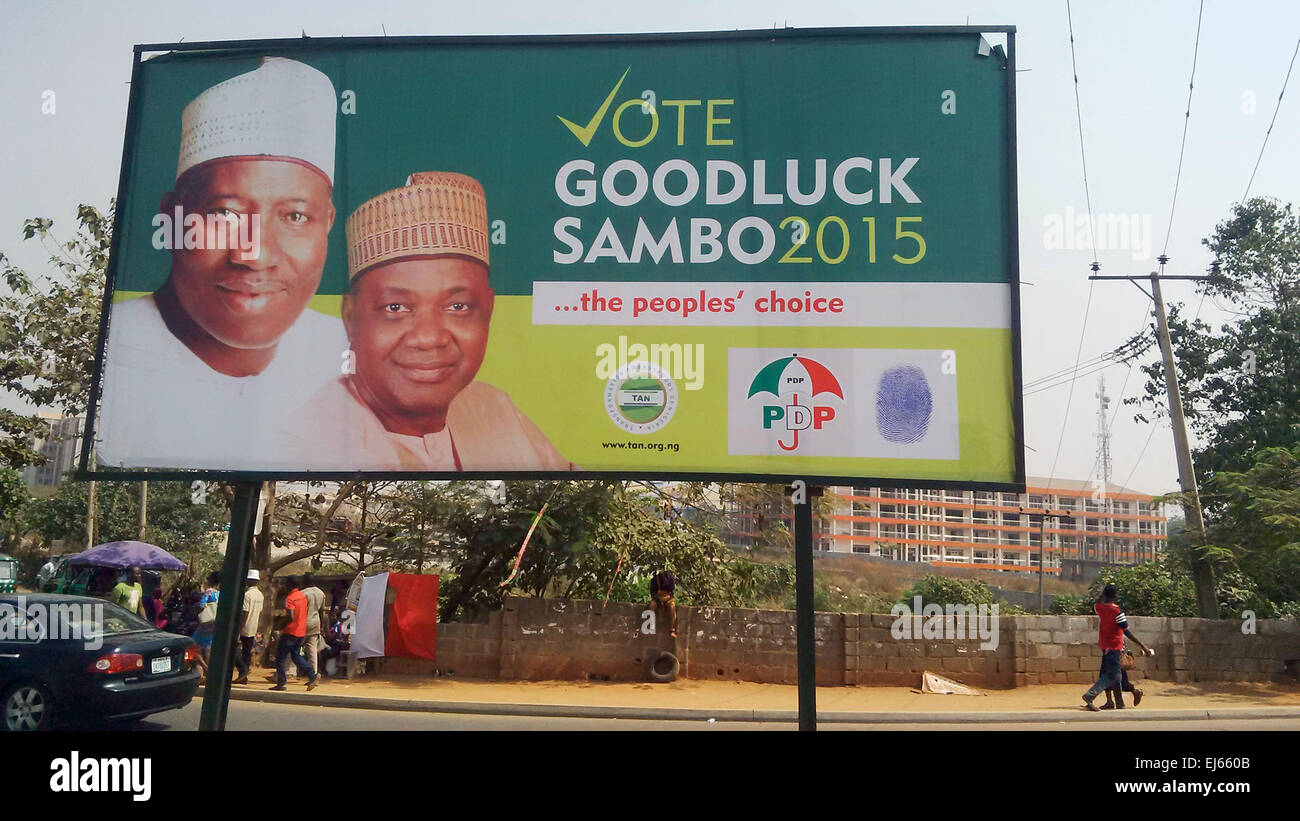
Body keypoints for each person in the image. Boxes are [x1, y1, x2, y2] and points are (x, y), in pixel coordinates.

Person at [96, 56, 347, 470]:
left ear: (327, 226)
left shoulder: (348, 353)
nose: (254, 255)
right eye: (223, 214)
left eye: (295, 216)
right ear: (171, 216)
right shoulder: (118, 350)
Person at [280, 172, 574, 471]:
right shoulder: (305, 442)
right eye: (396, 307)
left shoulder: (491, 407)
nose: (428, 338)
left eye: (457, 306)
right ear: (350, 318)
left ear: (489, 308)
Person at [1082, 584, 1154, 711]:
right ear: (1115, 596)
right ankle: (1090, 695)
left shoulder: (1099, 607)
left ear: (1104, 594)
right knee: (1111, 675)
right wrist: (1143, 646)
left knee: (1116, 676)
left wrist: (1102, 595)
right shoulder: (1117, 612)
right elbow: (1127, 632)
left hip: (1105, 646)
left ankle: (1118, 703)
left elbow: (1096, 602)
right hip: (1115, 647)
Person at [273, 575, 318, 691]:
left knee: (280, 658)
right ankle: (312, 675)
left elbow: (291, 617)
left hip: (290, 631)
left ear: (289, 585)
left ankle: (281, 683)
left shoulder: (290, 598)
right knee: (296, 655)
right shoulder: (302, 596)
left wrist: (280, 624)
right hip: (301, 631)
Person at [233, 569, 264, 686]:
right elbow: (259, 612)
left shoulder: (247, 595)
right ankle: (243, 677)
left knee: (233, 650)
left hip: (244, 627)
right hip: (253, 627)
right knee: (246, 652)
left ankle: (243, 669)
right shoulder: (260, 595)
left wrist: (239, 630)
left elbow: (244, 613)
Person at [192, 572, 221, 682]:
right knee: (208, 648)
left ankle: (205, 669)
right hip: (215, 624)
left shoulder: (208, 592)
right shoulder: (220, 594)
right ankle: (208, 673)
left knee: (196, 647)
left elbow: (201, 605)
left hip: (205, 624)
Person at [301, 573, 329, 680]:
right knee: (312, 648)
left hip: (303, 622)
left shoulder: (303, 593)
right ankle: (313, 674)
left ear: (305, 582)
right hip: (315, 622)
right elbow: (322, 611)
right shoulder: (320, 593)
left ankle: (288, 672)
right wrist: (321, 625)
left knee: (292, 647)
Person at [649, 570, 678, 638]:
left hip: (668, 598)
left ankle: (672, 630)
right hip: (657, 598)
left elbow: (671, 592)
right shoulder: (655, 579)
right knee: (652, 606)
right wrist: (659, 600)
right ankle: (651, 627)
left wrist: (666, 599)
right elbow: (652, 593)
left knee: (672, 606)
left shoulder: (671, 578)